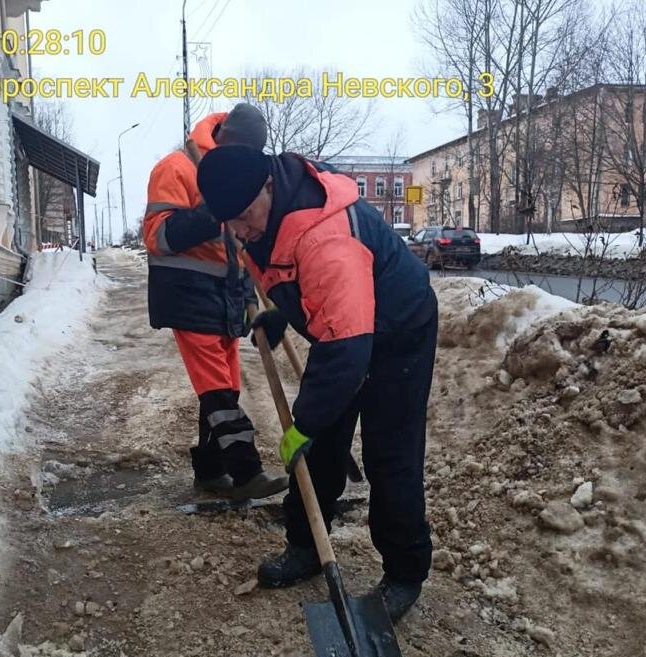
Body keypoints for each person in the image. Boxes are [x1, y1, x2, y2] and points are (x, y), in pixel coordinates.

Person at [195, 145, 438, 623]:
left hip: (398, 328)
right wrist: (282, 312)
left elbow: (348, 351)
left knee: (389, 454)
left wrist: (301, 424)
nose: (240, 231)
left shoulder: (326, 237)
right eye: (231, 223)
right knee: (322, 442)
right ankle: (306, 546)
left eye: (244, 217)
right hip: (345, 326)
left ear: (268, 185)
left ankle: (405, 572)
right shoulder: (261, 215)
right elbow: (296, 275)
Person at [143, 105, 288, 501]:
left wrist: (253, 302)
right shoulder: (176, 168)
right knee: (218, 391)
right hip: (187, 296)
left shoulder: (240, 176)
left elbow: (238, 252)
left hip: (224, 300)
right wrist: (215, 210)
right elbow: (158, 236)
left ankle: (209, 469)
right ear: (222, 139)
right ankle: (247, 473)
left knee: (226, 390)